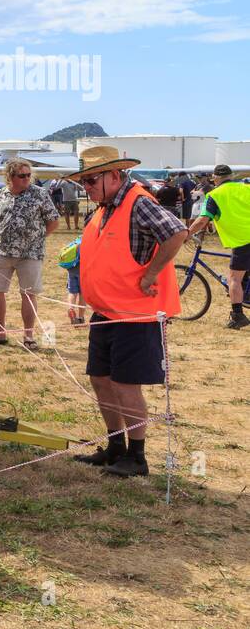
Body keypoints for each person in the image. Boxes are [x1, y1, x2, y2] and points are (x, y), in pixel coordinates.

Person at [66, 147, 186, 477]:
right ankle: (115, 446)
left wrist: (151, 274)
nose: (86, 187)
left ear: (114, 176)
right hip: (106, 313)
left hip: (135, 316)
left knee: (125, 384)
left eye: (90, 180)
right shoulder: (106, 207)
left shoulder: (139, 202)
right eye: (83, 182)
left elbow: (177, 232)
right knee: (101, 380)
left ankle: (137, 456)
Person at [0, 160, 59, 349]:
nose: (27, 178)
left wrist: (38, 239)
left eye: (28, 175)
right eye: (22, 175)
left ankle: (28, 335)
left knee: (28, 294)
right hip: (2, 252)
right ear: (10, 177)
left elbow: (53, 221)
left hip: (30, 254)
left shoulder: (39, 194)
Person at [186, 163, 250, 330]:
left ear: (215, 178)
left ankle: (237, 315)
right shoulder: (246, 188)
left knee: (234, 278)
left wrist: (186, 234)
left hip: (243, 240)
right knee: (244, 276)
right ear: (230, 176)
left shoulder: (214, 195)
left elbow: (202, 220)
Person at [59, 236, 85, 325]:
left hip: (71, 270)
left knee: (72, 293)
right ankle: (81, 318)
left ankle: (71, 308)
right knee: (82, 295)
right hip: (83, 272)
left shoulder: (77, 240)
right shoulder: (89, 242)